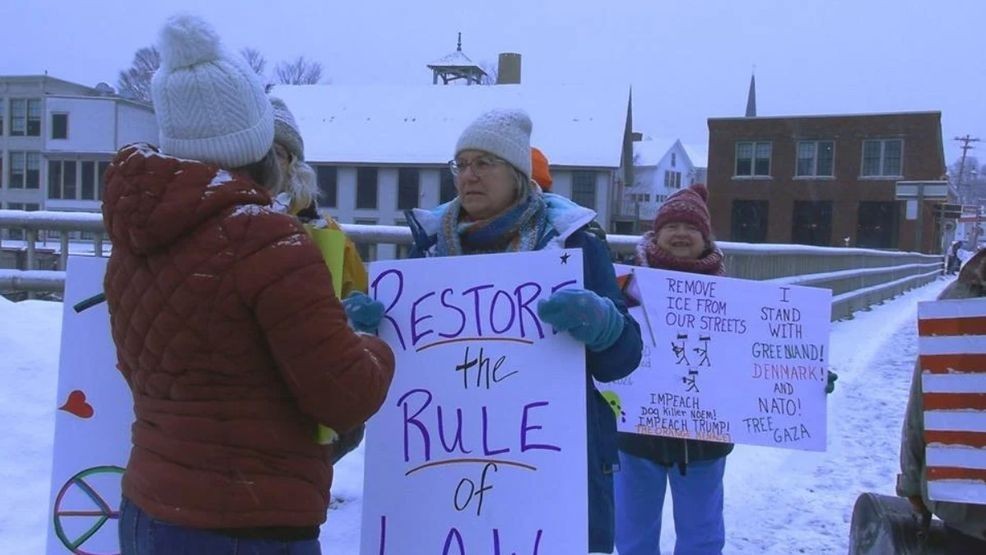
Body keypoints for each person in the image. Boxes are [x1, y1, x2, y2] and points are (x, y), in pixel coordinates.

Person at [101, 15, 394, 554]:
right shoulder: (267, 239)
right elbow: (346, 395)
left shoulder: (136, 238)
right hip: (245, 522)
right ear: (257, 141)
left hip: (148, 508)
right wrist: (370, 344)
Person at [344, 108, 643, 554]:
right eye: (461, 164)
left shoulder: (573, 241)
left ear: (518, 174)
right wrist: (373, 330)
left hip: (548, 462)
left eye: (485, 163)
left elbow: (624, 359)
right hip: (447, 465)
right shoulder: (429, 247)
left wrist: (604, 325)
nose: (469, 176)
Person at [614, 184, 733, 555]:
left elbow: (756, 351)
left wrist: (803, 375)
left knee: (703, 536)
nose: (681, 234)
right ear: (656, 233)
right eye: (672, 226)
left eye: (692, 227)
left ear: (706, 237)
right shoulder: (626, 285)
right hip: (636, 436)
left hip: (704, 440)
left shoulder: (732, 293)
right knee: (633, 534)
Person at [899, 248, 986, 553]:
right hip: (966, 508)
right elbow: (927, 398)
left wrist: (911, 483)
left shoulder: (961, 296)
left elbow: (924, 400)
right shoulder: (961, 297)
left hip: (966, 509)